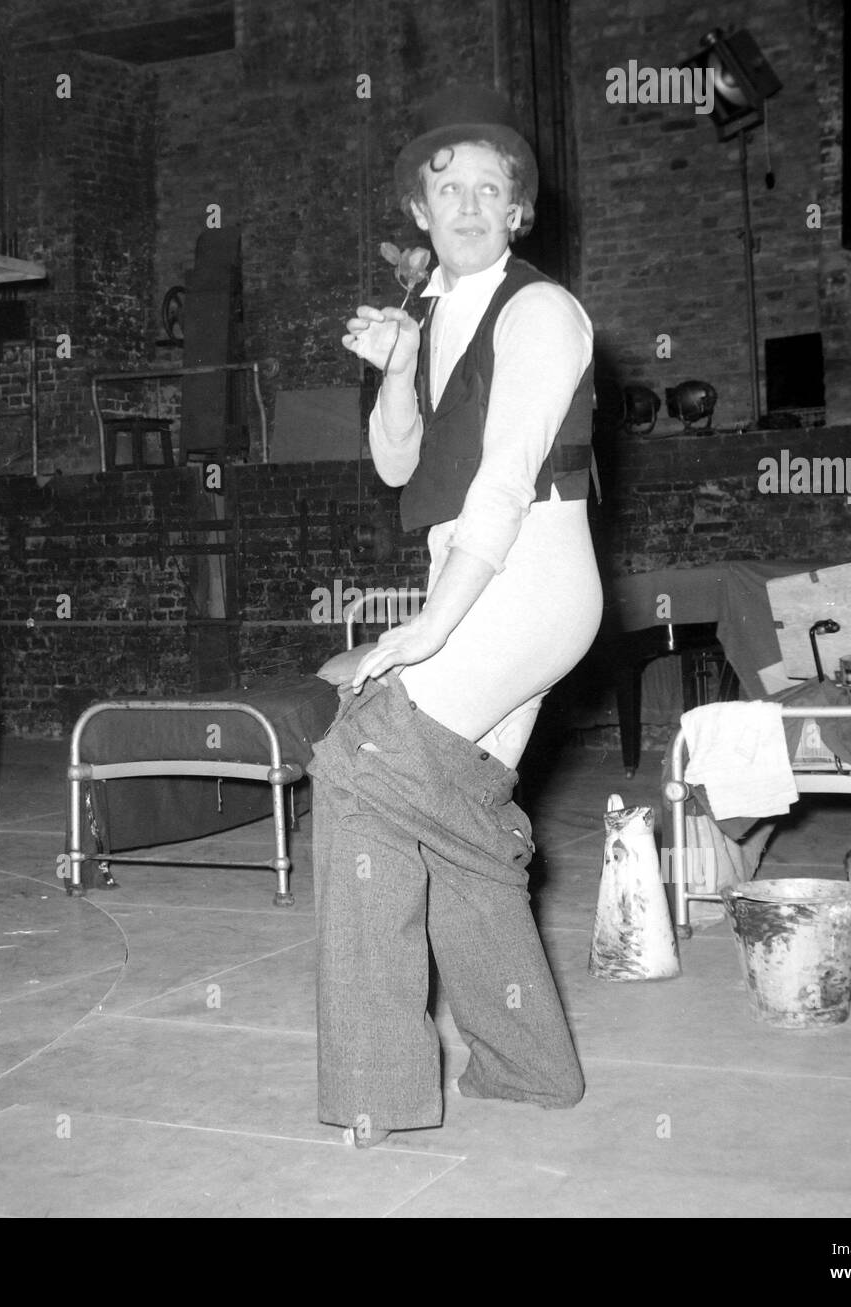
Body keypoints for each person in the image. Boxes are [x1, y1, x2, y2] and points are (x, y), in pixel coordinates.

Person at [308, 85, 603, 1148]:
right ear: (420, 215)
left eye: (493, 190)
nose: (472, 205)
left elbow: (504, 484)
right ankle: (528, 1063)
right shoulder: (431, 316)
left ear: (519, 213)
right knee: (460, 818)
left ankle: (379, 1083)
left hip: (529, 574)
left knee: (359, 762)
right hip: (476, 573)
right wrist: (396, 363)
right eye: (449, 189)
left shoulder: (539, 310)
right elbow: (398, 463)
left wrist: (425, 629)